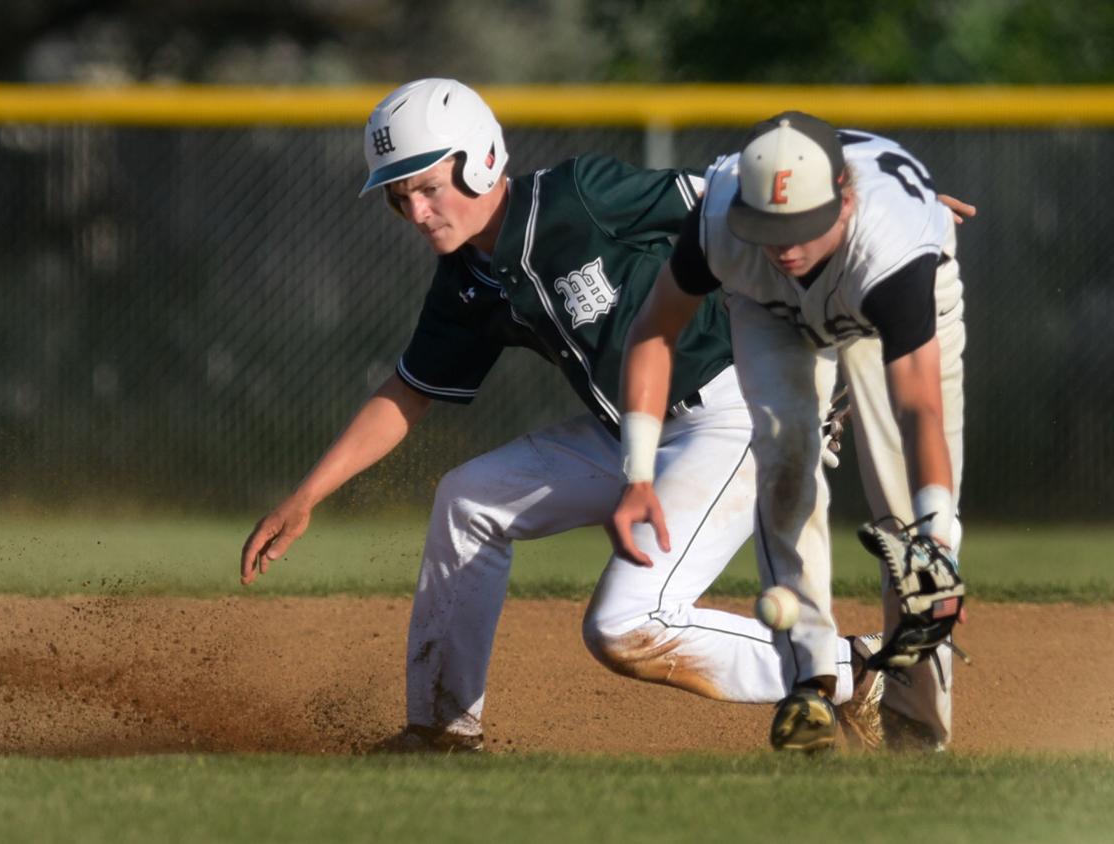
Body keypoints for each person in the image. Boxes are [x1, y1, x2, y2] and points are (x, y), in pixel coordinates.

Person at [240, 82, 933, 753]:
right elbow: (407, 393)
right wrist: (307, 497)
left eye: (427, 185)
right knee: (468, 499)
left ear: (480, 158)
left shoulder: (578, 197)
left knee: (625, 625)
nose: (417, 210)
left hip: (733, 415)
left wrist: (875, 207)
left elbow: (730, 195)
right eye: (400, 195)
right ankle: (441, 732)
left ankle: (855, 671)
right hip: (635, 436)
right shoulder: (464, 284)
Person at [612, 111, 967, 751]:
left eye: (800, 225)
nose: (785, 245)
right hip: (770, 308)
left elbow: (921, 412)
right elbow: (652, 332)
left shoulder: (891, 252)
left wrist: (937, 541)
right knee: (782, 454)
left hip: (885, 279)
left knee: (908, 518)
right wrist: (637, 472)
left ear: (845, 196)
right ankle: (810, 683)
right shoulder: (723, 222)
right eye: (768, 227)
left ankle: (918, 733)